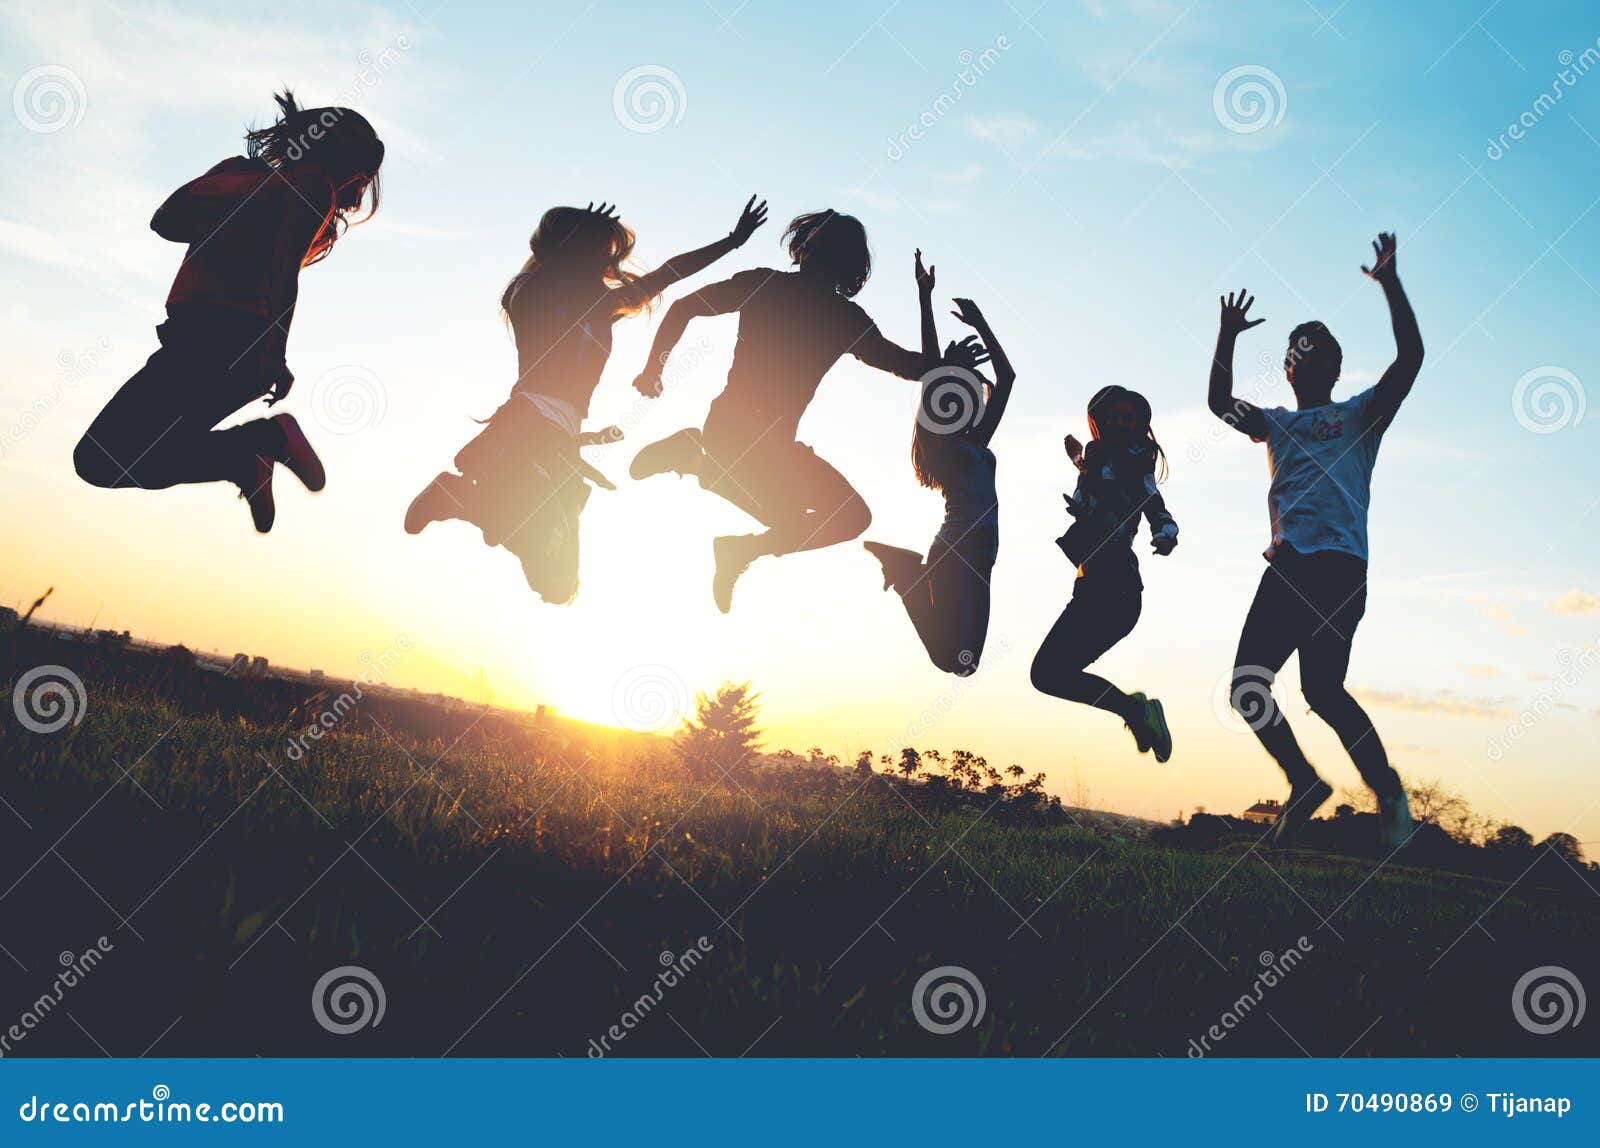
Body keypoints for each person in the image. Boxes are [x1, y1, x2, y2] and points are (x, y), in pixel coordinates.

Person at [404, 197, 768, 603]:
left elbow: (669, 273)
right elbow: (550, 268)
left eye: (607, 256)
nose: (605, 265)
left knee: (558, 584)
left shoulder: (602, 304)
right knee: (548, 555)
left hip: (562, 431)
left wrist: (732, 241)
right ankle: (459, 497)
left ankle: (471, 502)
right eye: (596, 253)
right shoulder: (528, 293)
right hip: (529, 421)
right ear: (566, 252)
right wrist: (574, 238)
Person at [73, 91, 385, 532]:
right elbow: (166, 222)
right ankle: (250, 452)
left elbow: (282, 273)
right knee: (103, 462)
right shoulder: (245, 176)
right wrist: (231, 181)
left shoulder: (312, 186)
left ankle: (259, 445)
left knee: (100, 460)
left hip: (229, 345)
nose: (362, 182)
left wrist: (274, 353)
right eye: (364, 168)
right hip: (196, 342)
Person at [1208, 232, 1423, 847]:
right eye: (1298, 350)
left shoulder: (1360, 415)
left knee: (1323, 690)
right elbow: (1219, 401)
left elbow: (1410, 360)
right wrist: (1228, 333)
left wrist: (1391, 284)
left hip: (1337, 568)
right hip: (1289, 566)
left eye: (1322, 349)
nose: (1309, 356)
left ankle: (1385, 789)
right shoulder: (1275, 423)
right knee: (1250, 685)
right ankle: (1304, 782)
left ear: (1335, 366)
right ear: (1287, 368)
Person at [627, 209, 945, 612]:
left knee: (841, 518)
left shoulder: (775, 288)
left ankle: (735, 541)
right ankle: (696, 463)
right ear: (851, 267)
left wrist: (654, 369)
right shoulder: (840, 317)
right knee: (838, 519)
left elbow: (684, 307)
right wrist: (924, 301)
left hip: (761, 442)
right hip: (742, 437)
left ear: (805, 249)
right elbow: (922, 370)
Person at [863, 251, 1012, 675]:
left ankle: (907, 572)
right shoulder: (942, 445)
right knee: (958, 663)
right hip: (956, 549)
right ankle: (906, 572)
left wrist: (982, 324)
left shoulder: (976, 441)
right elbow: (931, 372)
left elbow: (1008, 379)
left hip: (983, 554)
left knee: (964, 662)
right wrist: (924, 298)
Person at [1030, 387, 1177, 760]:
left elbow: (1151, 499)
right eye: (1115, 416)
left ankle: (1136, 711)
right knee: (1048, 675)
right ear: (1099, 420)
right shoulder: (1096, 460)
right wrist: (1078, 455)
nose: (1122, 423)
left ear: (1141, 427)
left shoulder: (1136, 464)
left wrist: (1166, 532)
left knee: (1047, 673)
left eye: (1131, 419)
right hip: (1090, 587)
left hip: (1117, 591)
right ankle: (1135, 711)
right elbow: (1092, 470)